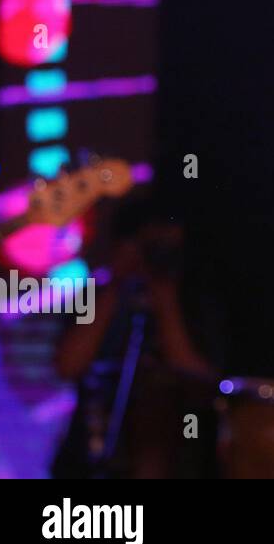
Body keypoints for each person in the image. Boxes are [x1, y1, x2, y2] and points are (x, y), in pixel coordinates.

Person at [51, 194, 219, 478]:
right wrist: (116, 285)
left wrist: (164, 296)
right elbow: (68, 366)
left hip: (171, 460)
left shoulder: (195, 302)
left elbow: (201, 382)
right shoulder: (94, 297)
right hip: (91, 458)